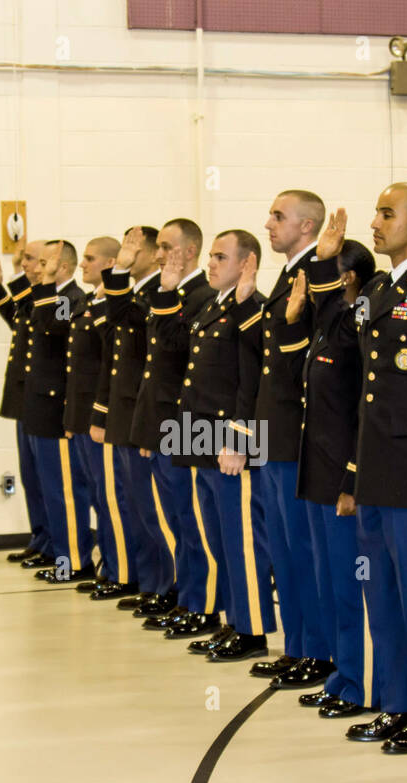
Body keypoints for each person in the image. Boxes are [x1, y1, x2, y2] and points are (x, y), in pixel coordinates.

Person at [306, 184, 407, 752]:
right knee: (382, 592)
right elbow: (346, 353)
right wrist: (326, 265)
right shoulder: (378, 286)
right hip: (375, 464)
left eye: (386, 214)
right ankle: (400, 703)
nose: (375, 223)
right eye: (376, 213)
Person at [165, 230, 274, 660]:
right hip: (202, 434)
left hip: (231, 439)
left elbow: (253, 380)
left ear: (247, 263)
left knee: (242, 538)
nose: (211, 263)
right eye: (210, 256)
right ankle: (234, 622)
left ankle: (253, 631)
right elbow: (174, 351)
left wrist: (241, 438)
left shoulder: (252, 309)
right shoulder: (214, 305)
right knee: (218, 536)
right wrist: (167, 293)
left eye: (220, 256)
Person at [245, 191, 331, 687]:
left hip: (297, 437)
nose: (269, 223)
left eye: (279, 216)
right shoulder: (286, 275)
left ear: (307, 225)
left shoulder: (316, 273)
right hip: (272, 434)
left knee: (303, 550)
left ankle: (317, 651)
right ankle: (297, 645)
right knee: (284, 549)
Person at [294, 240, 380, 718]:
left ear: (346, 279)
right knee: (331, 583)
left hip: (345, 475)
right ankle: (342, 674)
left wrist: (351, 476)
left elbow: (360, 412)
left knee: (353, 587)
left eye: (325, 274)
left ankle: (362, 683)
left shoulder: (356, 328)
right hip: (319, 473)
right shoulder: (329, 328)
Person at [129, 219, 216, 625]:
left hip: (188, 425)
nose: (160, 253)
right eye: (159, 247)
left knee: (193, 520)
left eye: (166, 246)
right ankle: (188, 596)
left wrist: (166, 294)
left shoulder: (202, 295)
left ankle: (202, 603)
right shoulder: (176, 293)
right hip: (167, 423)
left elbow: (179, 354)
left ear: (189, 251)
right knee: (178, 518)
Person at [96, 227, 171, 612]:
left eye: (137, 247)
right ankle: (150, 581)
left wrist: (119, 274)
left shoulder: (162, 295)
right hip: (130, 411)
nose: (132, 253)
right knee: (138, 507)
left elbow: (124, 315)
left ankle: (168, 587)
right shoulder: (141, 293)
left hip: (154, 417)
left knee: (156, 509)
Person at [66, 236, 137, 600]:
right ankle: (110, 565)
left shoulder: (111, 304)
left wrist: (101, 413)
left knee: (116, 498)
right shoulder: (87, 303)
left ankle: (123, 572)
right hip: (86, 414)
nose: (83, 266)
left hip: (107, 414)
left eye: (90, 259)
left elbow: (110, 364)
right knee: (100, 496)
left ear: (111, 263)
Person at [23, 240, 94, 584]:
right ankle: (59, 554)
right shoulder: (52, 295)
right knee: (50, 489)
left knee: (66, 492)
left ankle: (74, 562)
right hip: (42, 406)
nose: (38, 267)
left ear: (63, 266)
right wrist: (43, 287)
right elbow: (38, 323)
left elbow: (51, 326)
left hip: (57, 406)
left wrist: (46, 286)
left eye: (46, 262)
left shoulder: (70, 298)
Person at [0, 240, 55, 567]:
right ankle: (41, 538)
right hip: (27, 401)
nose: (26, 264)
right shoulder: (36, 299)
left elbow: (46, 326)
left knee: (49, 480)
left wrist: (17, 283)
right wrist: (2, 289)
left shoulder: (60, 300)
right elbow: (21, 320)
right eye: (26, 258)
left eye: (31, 259)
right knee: (32, 477)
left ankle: (57, 545)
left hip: (47, 404)